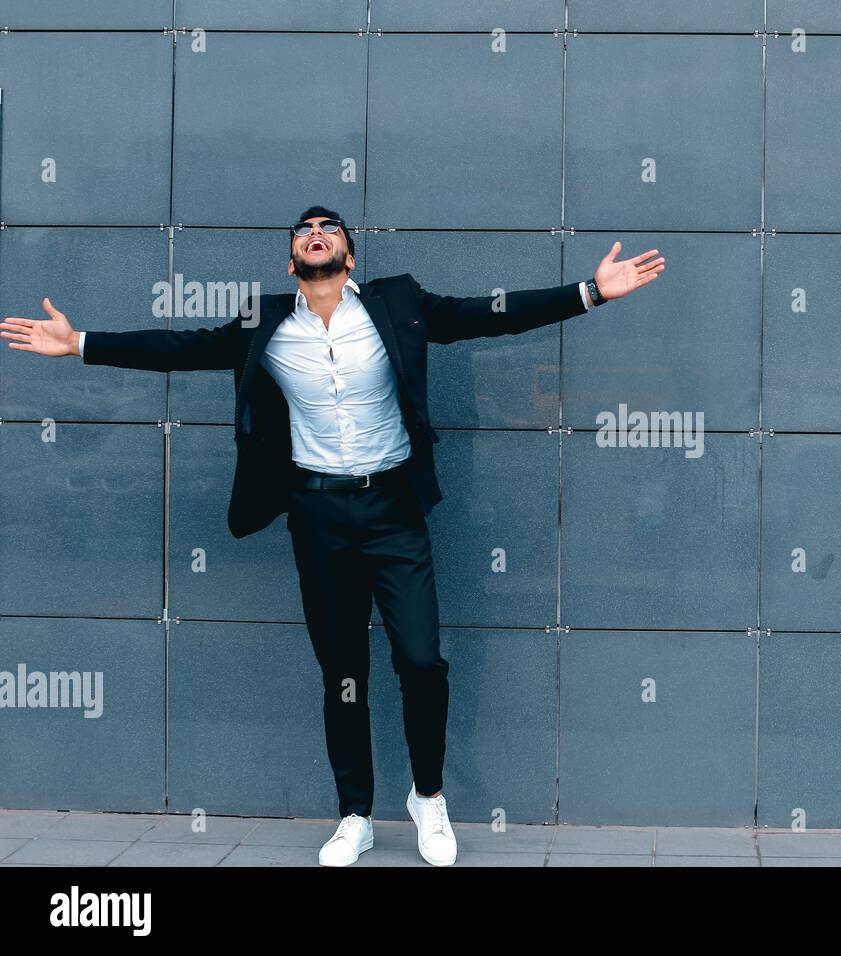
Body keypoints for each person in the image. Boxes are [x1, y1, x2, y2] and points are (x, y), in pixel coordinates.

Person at [0, 206, 665, 866]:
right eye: (304, 230)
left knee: (422, 662)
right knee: (342, 671)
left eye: (330, 228)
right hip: (318, 518)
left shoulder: (396, 303)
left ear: (349, 256)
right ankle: (355, 815)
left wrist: (589, 293)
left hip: (393, 513)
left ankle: (427, 798)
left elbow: (484, 316)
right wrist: (80, 342)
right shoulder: (264, 318)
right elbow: (182, 347)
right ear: (293, 261)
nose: (316, 233)